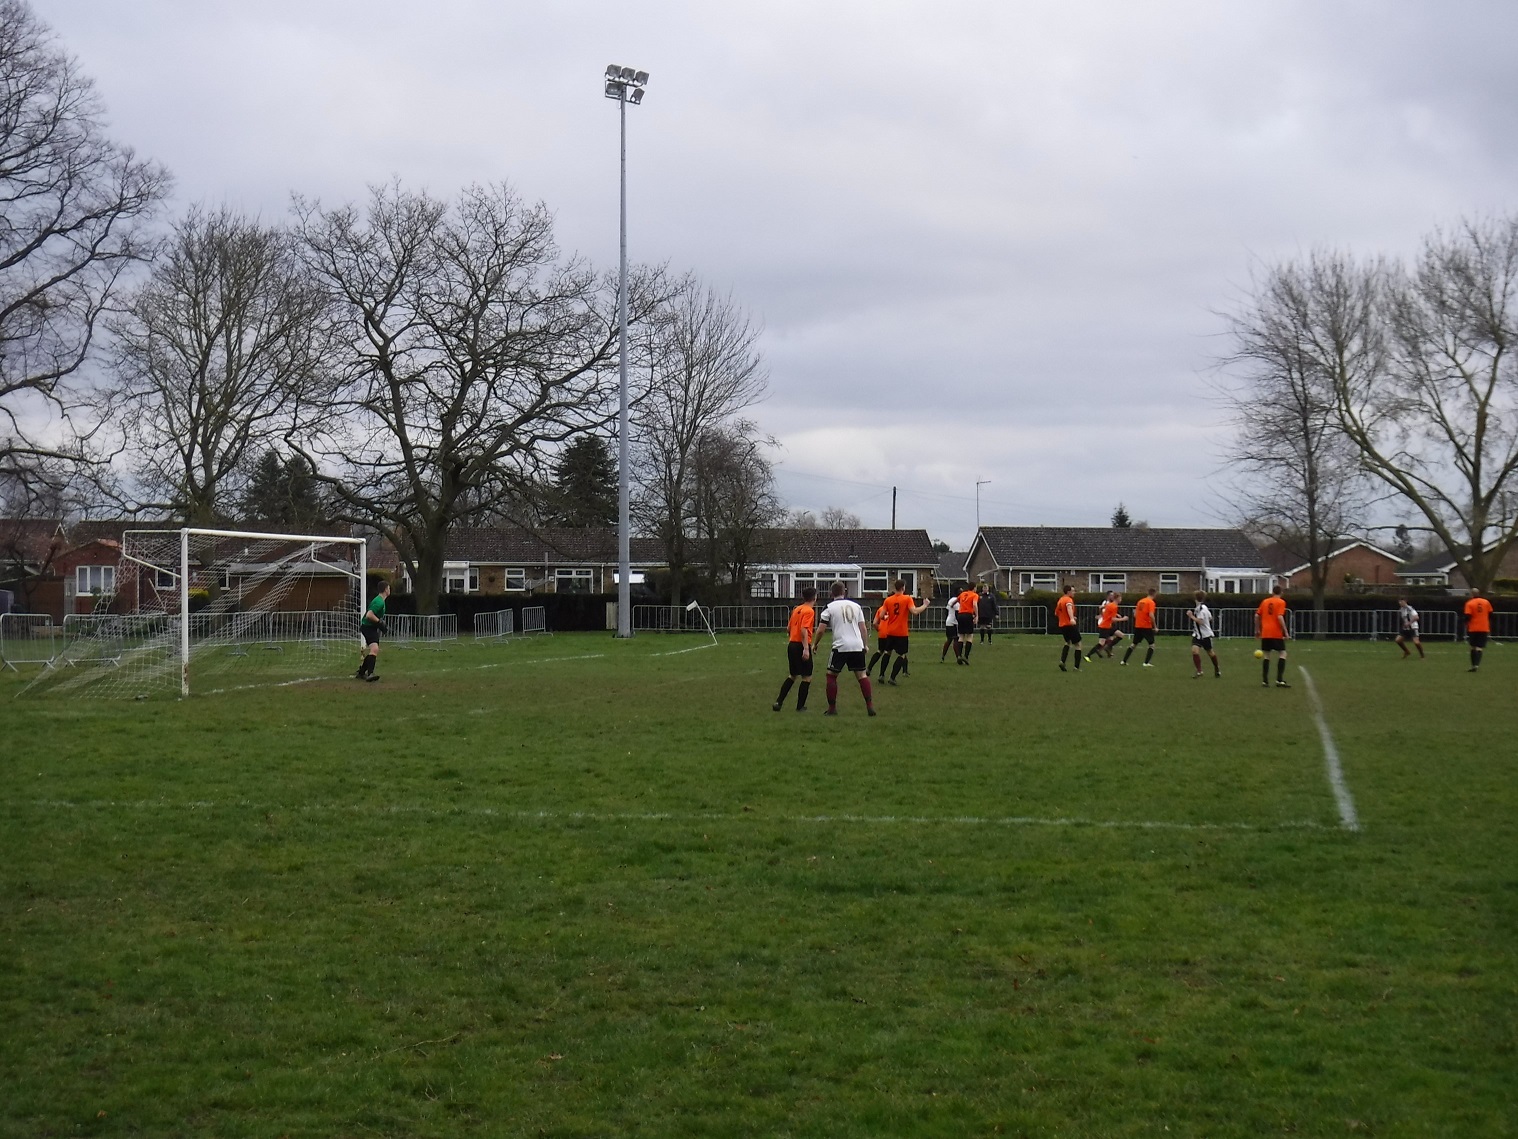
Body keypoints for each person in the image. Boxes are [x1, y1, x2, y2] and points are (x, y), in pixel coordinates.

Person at [816, 580, 877, 716]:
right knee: (862, 675)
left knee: (831, 675)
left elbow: (820, 630)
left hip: (840, 646)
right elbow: (863, 628)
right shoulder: (856, 606)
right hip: (857, 645)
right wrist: (865, 645)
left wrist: (815, 644)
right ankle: (870, 706)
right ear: (844, 591)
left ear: (831, 593)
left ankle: (832, 708)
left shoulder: (829, 607)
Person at [868, 580, 931, 684]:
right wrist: (925, 605)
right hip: (901, 632)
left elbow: (881, 616)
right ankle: (892, 677)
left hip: (890, 631)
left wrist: (887, 617)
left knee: (887, 652)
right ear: (903, 587)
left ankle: (881, 675)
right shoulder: (907, 598)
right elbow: (914, 611)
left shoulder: (888, 600)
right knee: (902, 655)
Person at [773, 586, 818, 712]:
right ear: (815, 597)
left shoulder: (797, 609)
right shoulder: (809, 611)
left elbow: (788, 628)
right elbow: (804, 629)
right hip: (801, 645)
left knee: (793, 675)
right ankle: (800, 706)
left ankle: (778, 702)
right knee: (807, 677)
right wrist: (806, 649)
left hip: (792, 644)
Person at [1256, 584, 1291, 688]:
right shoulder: (1281, 602)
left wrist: (1257, 629)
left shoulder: (1265, 601)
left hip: (1265, 632)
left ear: (1272, 592)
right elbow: (1280, 617)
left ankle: (1265, 681)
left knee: (1267, 655)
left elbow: (1257, 615)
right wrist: (1285, 632)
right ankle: (1279, 680)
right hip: (1276, 633)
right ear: (1281, 592)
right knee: (1282, 653)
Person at [355, 580, 391, 682]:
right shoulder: (379, 601)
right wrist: (380, 622)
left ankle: (362, 672)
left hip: (370, 627)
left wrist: (379, 624)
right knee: (374, 649)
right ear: (385, 590)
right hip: (368, 627)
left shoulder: (380, 600)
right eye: (389, 588)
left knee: (374, 650)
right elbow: (369, 615)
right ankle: (370, 674)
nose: (390, 590)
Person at [1188, 590, 1221, 678]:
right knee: (1194, 651)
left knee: (1210, 652)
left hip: (1205, 635)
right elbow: (1210, 618)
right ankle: (1199, 671)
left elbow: (1200, 621)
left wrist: (1191, 616)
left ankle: (1217, 668)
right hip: (1197, 635)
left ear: (1195, 598)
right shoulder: (1202, 607)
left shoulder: (1202, 609)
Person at [1085, 591, 1127, 661]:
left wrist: (1103, 615)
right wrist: (1123, 619)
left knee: (1120, 635)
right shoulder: (1114, 606)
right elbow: (1113, 619)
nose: (1121, 600)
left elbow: (1102, 607)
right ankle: (1087, 655)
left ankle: (1108, 647)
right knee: (1101, 643)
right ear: (1117, 598)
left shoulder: (1110, 605)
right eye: (1120, 598)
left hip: (1109, 626)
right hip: (1105, 626)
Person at [1122, 587, 1159, 667]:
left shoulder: (1140, 601)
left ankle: (1124, 661)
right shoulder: (1151, 602)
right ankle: (1146, 662)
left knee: (1134, 644)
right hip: (1146, 626)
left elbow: (1135, 614)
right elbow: (1151, 615)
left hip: (1138, 625)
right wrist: (1155, 626)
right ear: (1154, 594)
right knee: (1152, 645)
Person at [1463, 587, 1493, 673]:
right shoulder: (1486, 602)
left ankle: (1473, 665)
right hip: (1484, 627)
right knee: (1479, 647)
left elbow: (1468, 616)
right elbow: (1491, 613)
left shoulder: (1469, 603)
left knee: (1473, 646)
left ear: (1472, 594)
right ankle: (1477, 665)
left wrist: (1465, 623)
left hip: (1473, 628)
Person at [1055, 583, 1084, 672]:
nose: (1074, 592)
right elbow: (1068, 607)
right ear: (1068, 592)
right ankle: (1076, 667)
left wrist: (1068, 617)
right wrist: (1071, 618)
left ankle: (1062, 661)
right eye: (1073, 591)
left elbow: (1057, 613)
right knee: (1078, 644)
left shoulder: (1060, 600)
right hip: (1069, 625)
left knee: (1067, 642)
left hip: (1062, 625)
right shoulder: (1068, 600)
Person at [955, 582, 981, 664]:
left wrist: (952, 605)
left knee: (961, 636)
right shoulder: (974, 595)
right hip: (968, 615)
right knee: (969, 636)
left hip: (960, 615)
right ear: (974, 588)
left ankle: (959, 656)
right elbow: (974, 605)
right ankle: (966, 656)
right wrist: (977, 615)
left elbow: (956, 600)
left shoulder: (963, 594)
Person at [940, 594, 961, 662]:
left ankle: (943, 656)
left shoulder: (951, 600)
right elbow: (957, 614)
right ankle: (958, 657)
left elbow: (946, 611)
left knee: (949, 640)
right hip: (954, 623)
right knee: (955, 639)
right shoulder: (957, 602)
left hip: (949, 622)